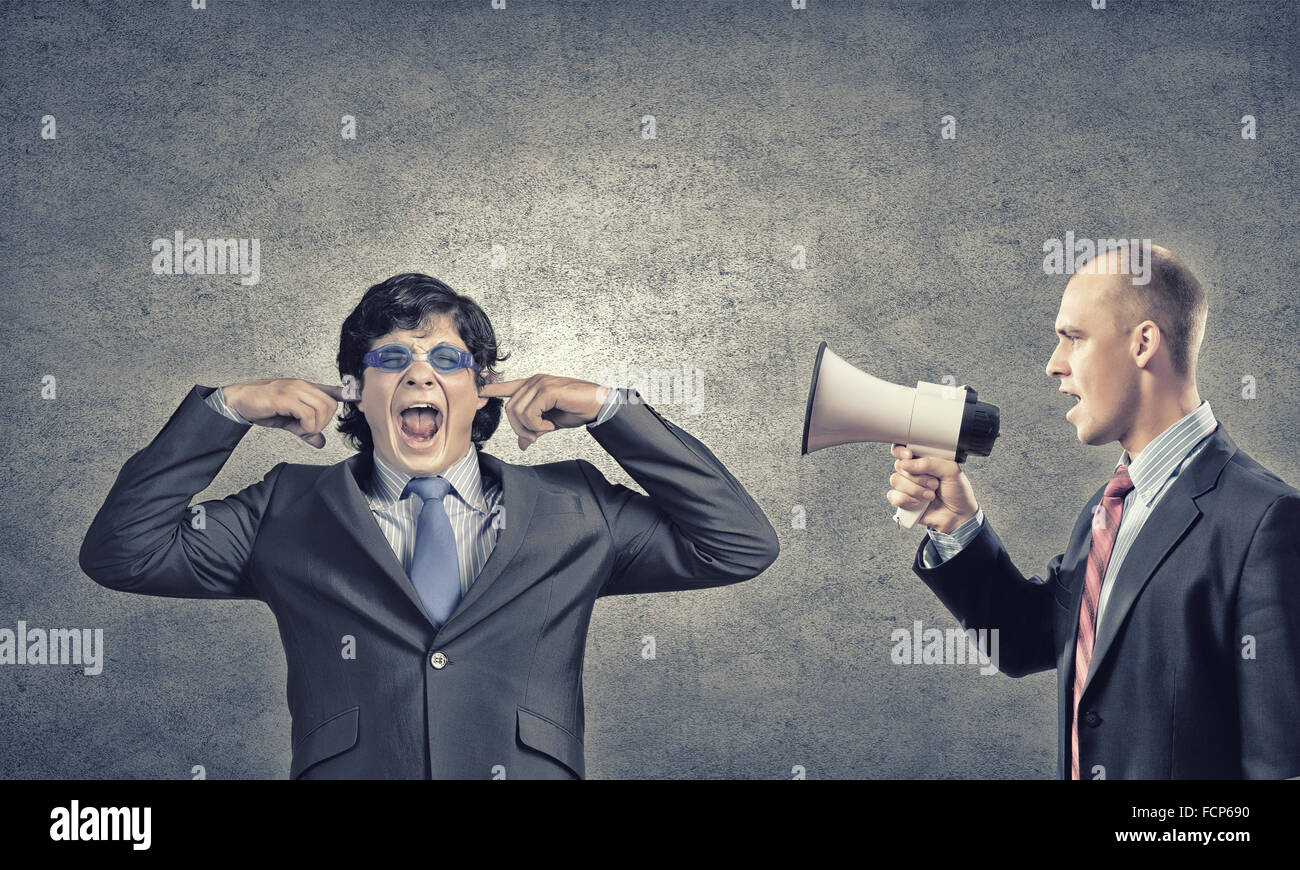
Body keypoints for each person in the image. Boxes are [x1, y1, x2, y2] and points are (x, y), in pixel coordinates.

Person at [80, 272, 780, 779]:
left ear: (481, 391)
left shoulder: (576, 505)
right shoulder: (285, 508)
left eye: (448, 360)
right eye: (391, 359)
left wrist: (611, 410)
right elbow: (123, 553)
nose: (420, 376)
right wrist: (227, 408)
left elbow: (738, 544)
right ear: (355, 391)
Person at [886, 244, 1299, 779]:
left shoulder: (1267, 521)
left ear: (1143, 343)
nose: (1053, 364)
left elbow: (1283, 764)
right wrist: (956, 524)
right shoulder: (1106, 511)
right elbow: (1026, 641)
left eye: (1074, 337)